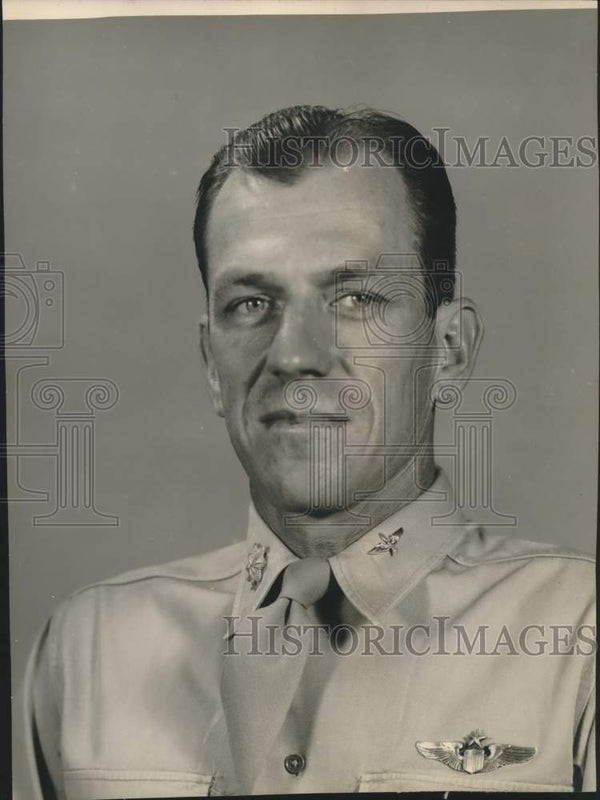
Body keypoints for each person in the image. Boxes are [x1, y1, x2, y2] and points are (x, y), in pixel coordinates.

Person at [19, 106, 595, 798]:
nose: (293, 356)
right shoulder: (86, 652)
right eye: (252, 304)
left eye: (354, 298)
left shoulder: (577, 640)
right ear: (210, 361)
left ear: (448, 349)